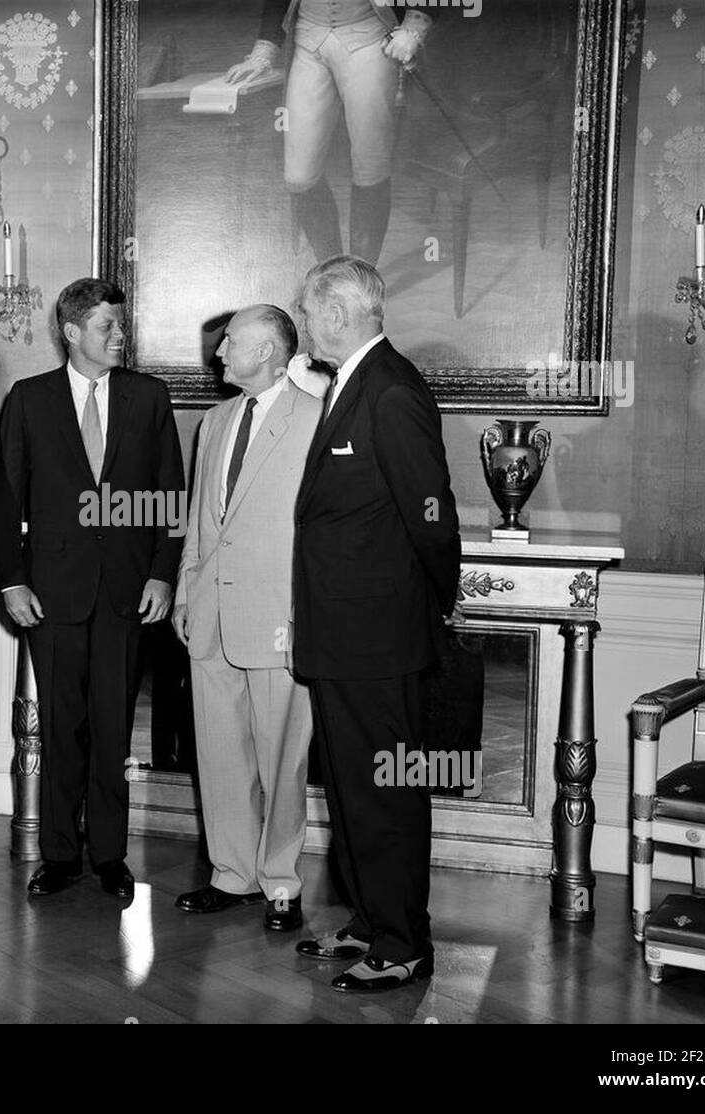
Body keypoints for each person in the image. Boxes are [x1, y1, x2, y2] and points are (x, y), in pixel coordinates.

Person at [290, 255, 460, 991]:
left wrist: (434, 602)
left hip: (378, 637)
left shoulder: (390, 390)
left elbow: (432, 512)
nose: (304, 326)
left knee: (385, 790)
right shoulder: (352, 383)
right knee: (354, 785)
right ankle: (368, 920)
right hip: (341, 635)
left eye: (308, 313)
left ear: (336, 313)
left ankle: (403, 943)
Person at [0, 278, 186, 898]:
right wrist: (12, 582)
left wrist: (162, 571)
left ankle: (109, 855)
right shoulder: (28, 400)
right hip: (51, 593)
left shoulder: (148, 398)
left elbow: (168, 497)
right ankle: (59, 855)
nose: (120, 337)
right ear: (72, 332)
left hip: (128, 593)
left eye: (121, 326)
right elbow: (4, 500)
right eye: (108, 327)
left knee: (111, 726)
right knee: (62, 724)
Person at [172, 305, 320, 932]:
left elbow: (319, 534)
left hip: (280, 620)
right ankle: (231, 874)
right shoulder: (214, 421)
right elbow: (201, 521)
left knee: (282, 758)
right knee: (221, 755)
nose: (219, 353)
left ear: (266, 351)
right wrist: (184, 592)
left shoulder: (315, 420)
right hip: (210, 616)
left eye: (231, 342)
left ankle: (280, 882)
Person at [226, 0, 439, 266]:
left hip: (368, 39)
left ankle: (362, 274)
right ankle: (333, 270)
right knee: (299, 176)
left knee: (370, 166)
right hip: (309, 42)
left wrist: (412, 29)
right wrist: (263, 53)